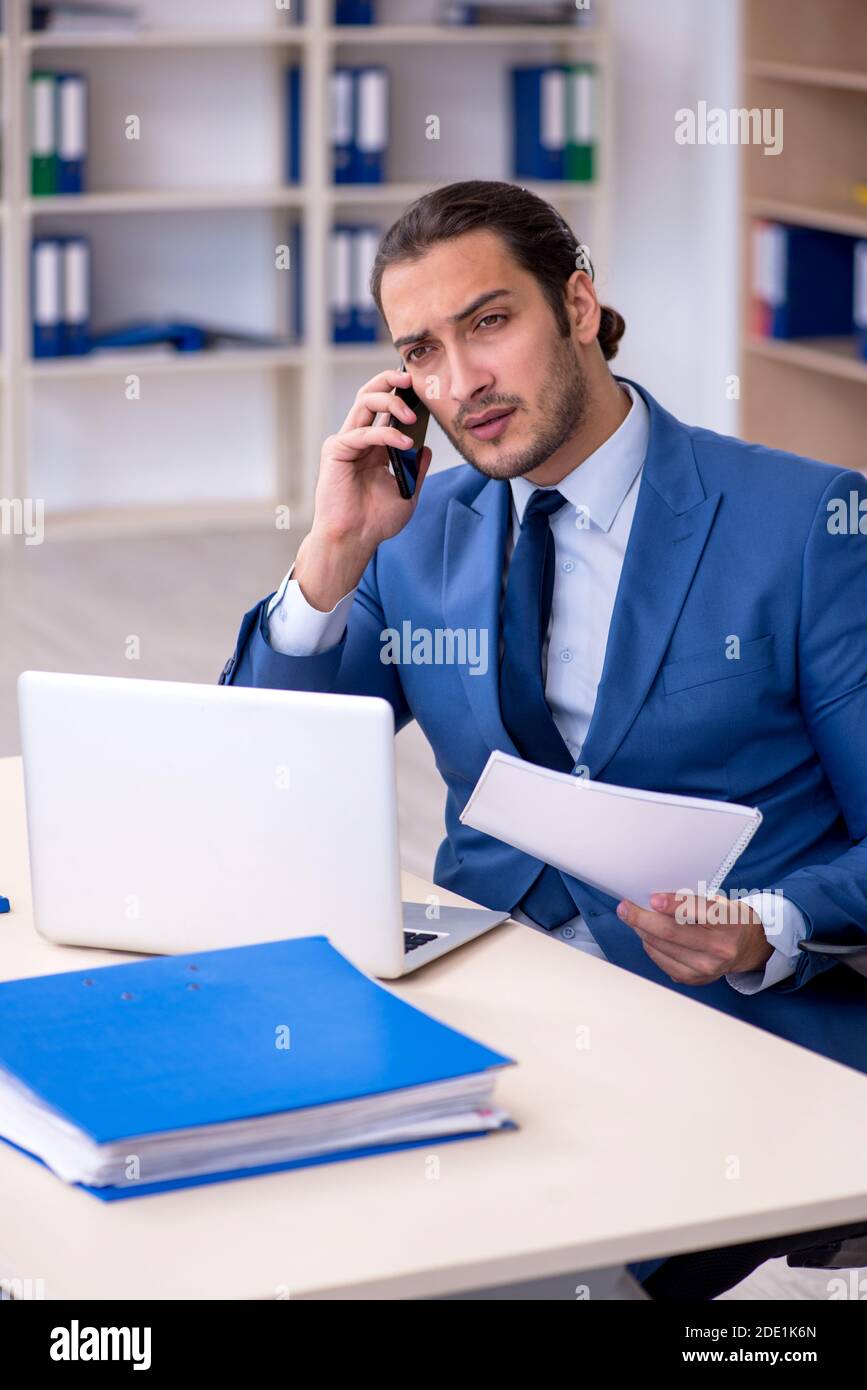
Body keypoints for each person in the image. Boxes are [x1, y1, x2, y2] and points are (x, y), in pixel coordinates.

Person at [221, 181, 867, 1297]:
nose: (462, 382)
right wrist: (330, 557)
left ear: (577, 304)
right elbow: (257, 768)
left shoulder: (804, 526)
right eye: (420, 350)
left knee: (502, 1278)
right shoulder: (416, 531)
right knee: (264, 1212)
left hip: (717, 1028)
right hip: (480, 997)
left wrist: (769, 925)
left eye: (489, 323)